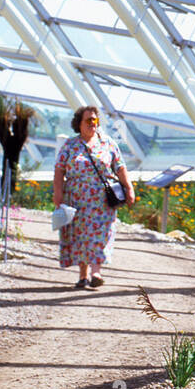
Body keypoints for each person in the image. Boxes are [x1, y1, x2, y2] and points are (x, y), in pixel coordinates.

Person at [53, 105, 134, 289]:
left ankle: (96, 272)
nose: (92, 123)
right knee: (80, 235)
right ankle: (83, 276)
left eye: (95, 120)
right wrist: (57, 193)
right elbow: (59, 170)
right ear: (79, 124)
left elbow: (120, 167)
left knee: (100, 233)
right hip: (76, 199)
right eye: (88, 120)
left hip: (102, 200)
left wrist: (129, 188)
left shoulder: (108, 143)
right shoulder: (70, 146)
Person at [0, 100, 33, 196]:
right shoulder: (14, 141)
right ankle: (9, 192)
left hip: (11, 151)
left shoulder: (15, 141)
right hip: (12, 151)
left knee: (9, 167)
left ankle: (7, 192)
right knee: (11, 167)